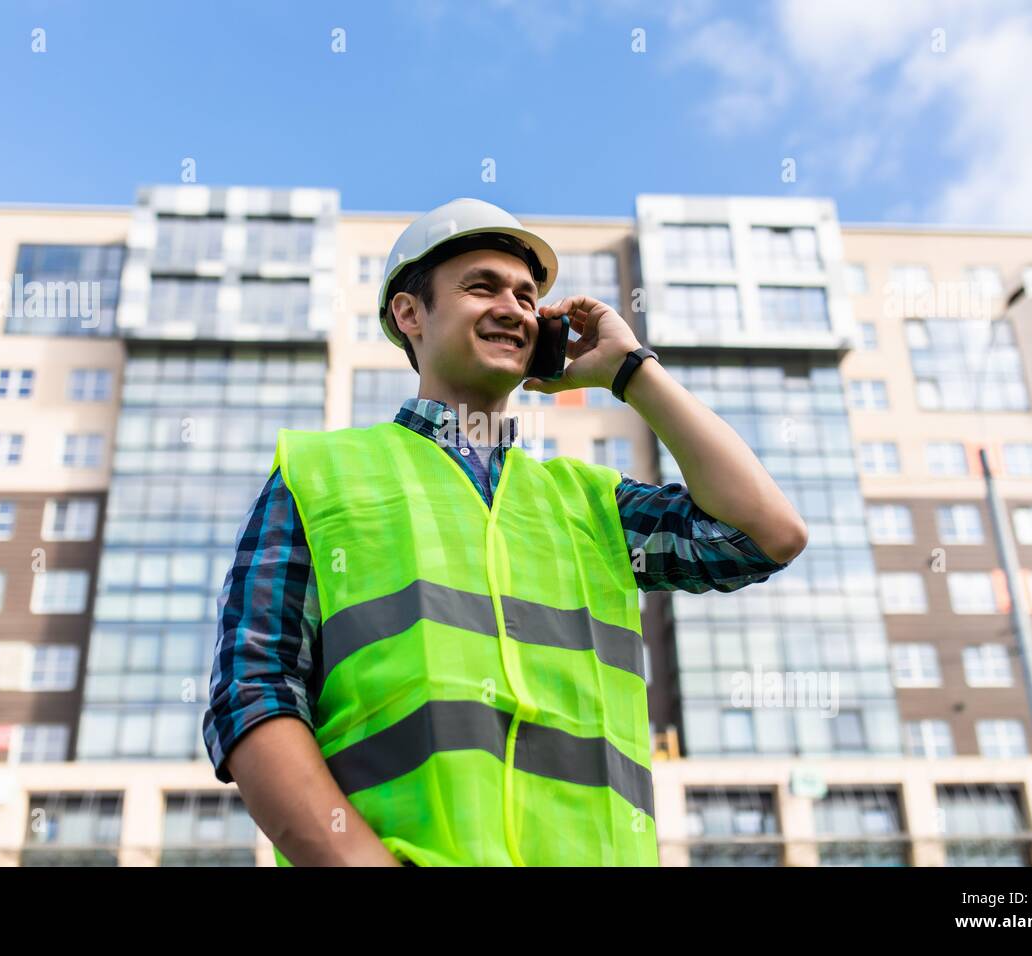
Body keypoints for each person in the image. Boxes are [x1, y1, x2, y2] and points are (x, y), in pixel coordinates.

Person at [203, 197, 808, 866]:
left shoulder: (591, 502)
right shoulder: (320, 473)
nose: (514, 308)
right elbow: (253, 692)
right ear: (410, 314)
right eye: (481, 287)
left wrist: (630, 371)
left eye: (526, 297)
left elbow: (765, 533)